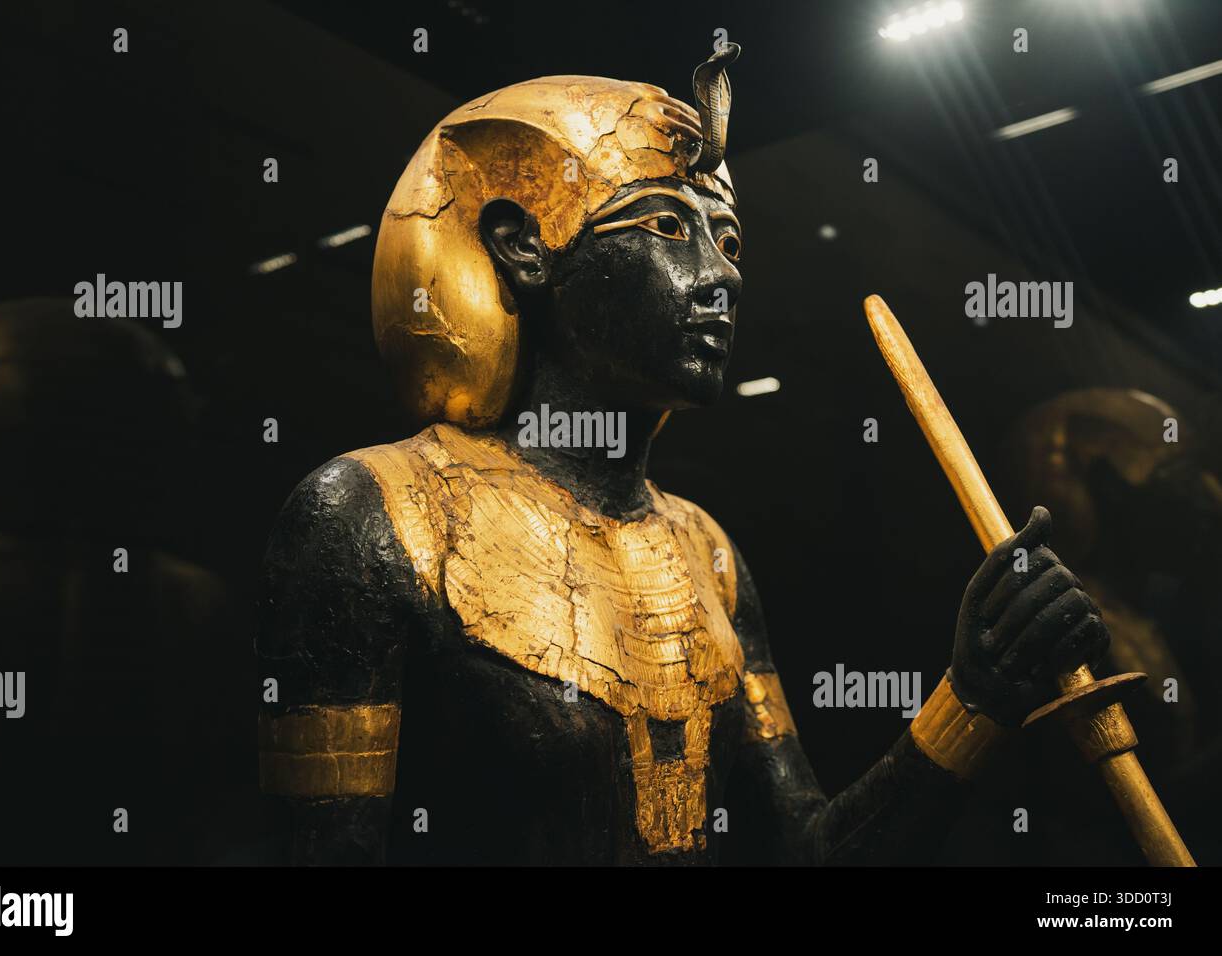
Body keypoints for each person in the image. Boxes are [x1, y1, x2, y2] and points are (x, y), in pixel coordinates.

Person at [257, 50, 1110, 864]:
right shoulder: (378, 514)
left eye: (730, 241)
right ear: (524, 247)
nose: (722, 277)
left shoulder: (707, 553)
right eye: (668, 226)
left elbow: (807, 856)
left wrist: (972, 698)